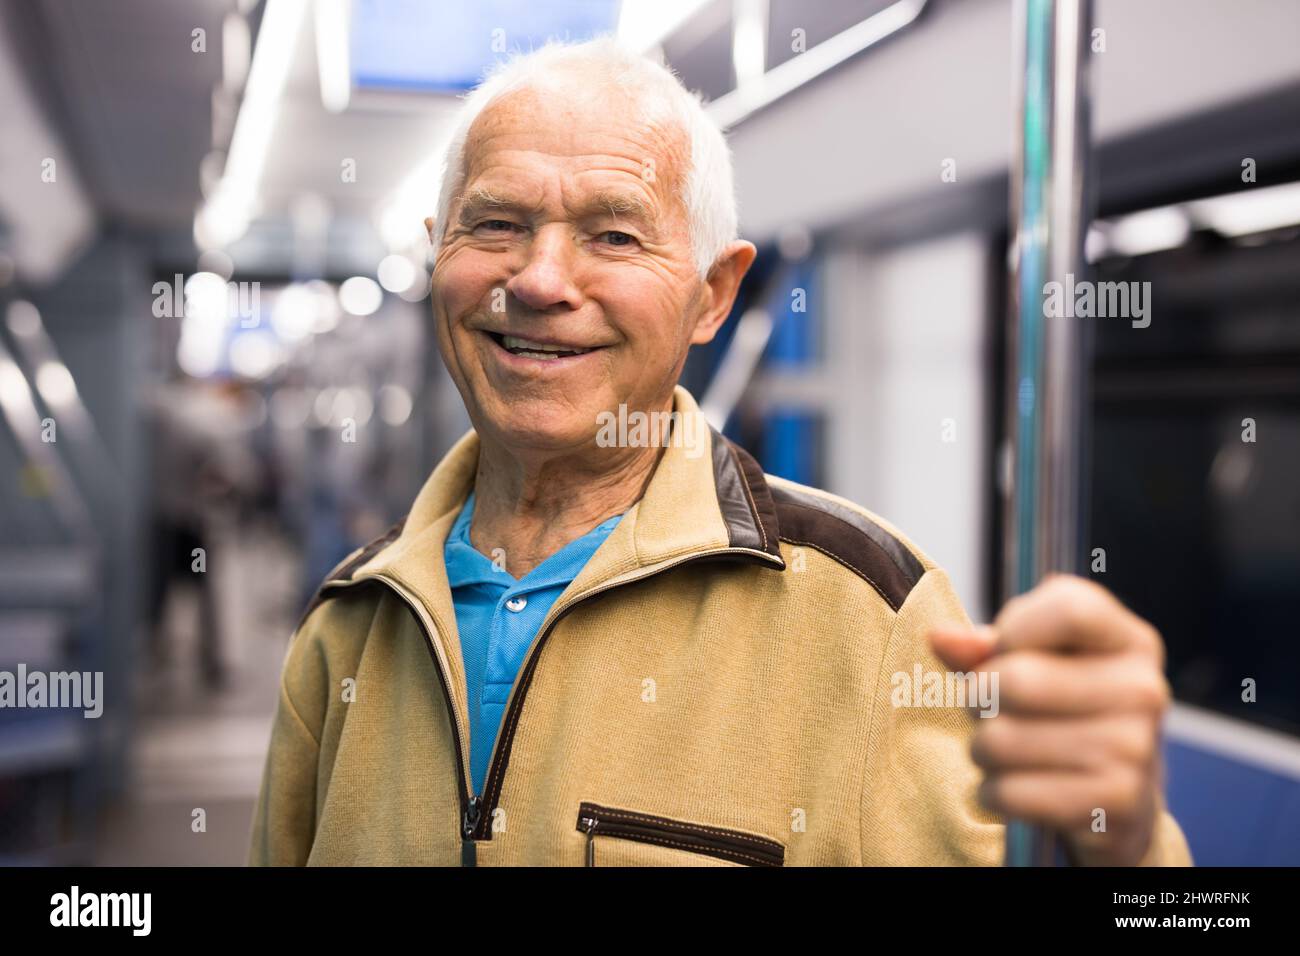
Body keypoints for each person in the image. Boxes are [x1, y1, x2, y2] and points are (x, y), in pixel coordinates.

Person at [249, 38, 1190, 866]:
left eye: (613, 235)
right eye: (496, 224)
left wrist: (1130, 842)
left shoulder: (867, 619)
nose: (538, 280)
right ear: (436, 254)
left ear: (713, 293)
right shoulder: (349, 624)